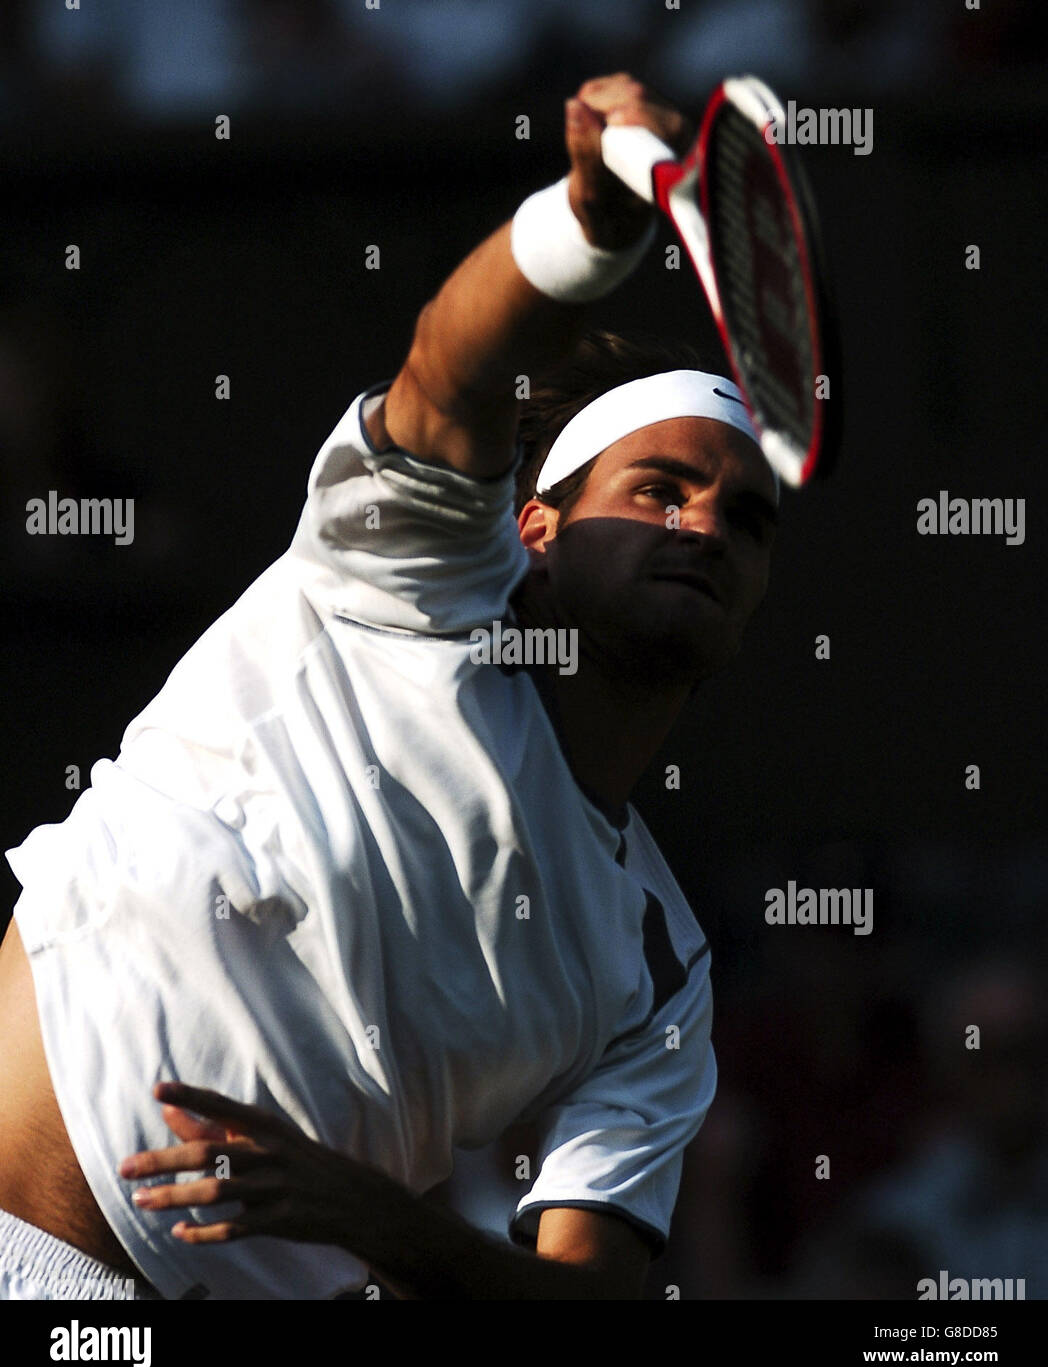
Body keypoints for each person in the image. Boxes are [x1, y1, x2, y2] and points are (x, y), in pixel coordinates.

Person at [0, 73, 779, 1300]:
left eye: (746, 518)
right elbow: (449, 369)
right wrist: (582, 226)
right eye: (658, 489)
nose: (706, 528)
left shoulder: (659, 975)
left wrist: (378, 1222)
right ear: (533, 528)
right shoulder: (410, 577)